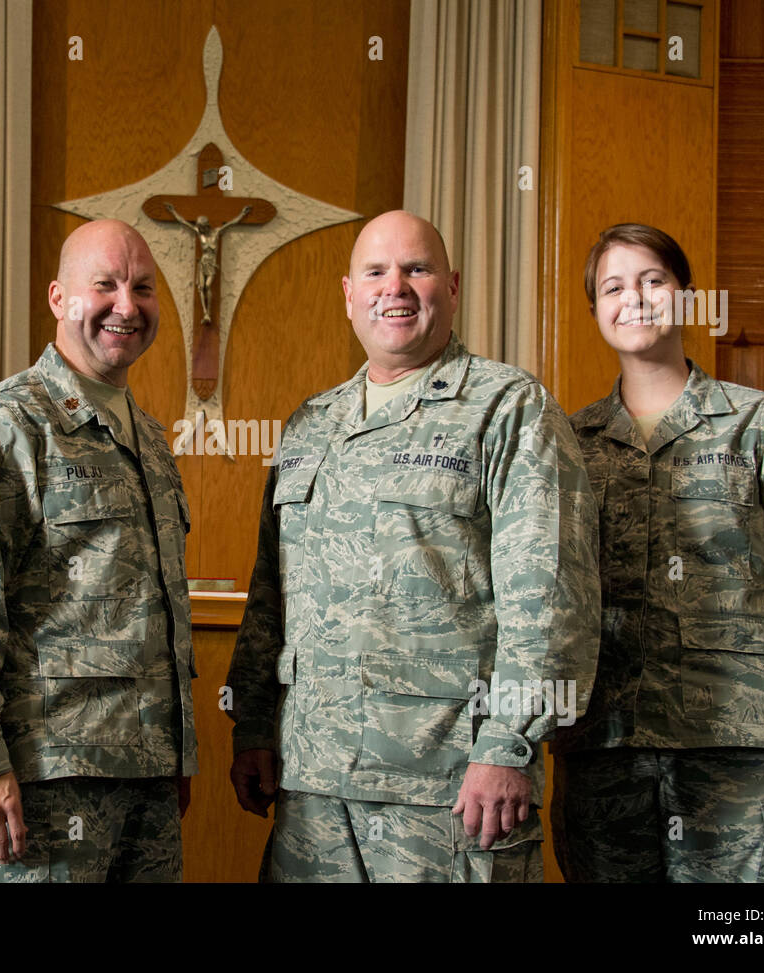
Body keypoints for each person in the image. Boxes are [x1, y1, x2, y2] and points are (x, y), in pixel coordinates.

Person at [226, 210, 600, 882]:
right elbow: (270, 596)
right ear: (348, 292)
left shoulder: (508, 407)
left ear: (452, 286)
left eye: (416, 269)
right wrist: (252, 725)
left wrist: (509, 746)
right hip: (314, 790)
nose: (394, 287)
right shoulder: (310, 425)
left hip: (452, 790)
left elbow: (551, 595)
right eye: (376, 271)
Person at [0, 218, 197, 883]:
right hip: (41, 783)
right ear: (60, 298)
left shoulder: (147, 439)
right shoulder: (7, 422)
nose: (127, 305)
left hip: (145, 779)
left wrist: (172, 753)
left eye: (143, 288)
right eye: (106, 285)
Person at [550, 223, 764, 883]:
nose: (635, 297)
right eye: (613, 286)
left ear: (684, 295)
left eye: (654, 280)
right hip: (608, 749)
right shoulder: (570, 444)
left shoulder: (761, 425)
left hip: (741, 753)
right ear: (596, 309)